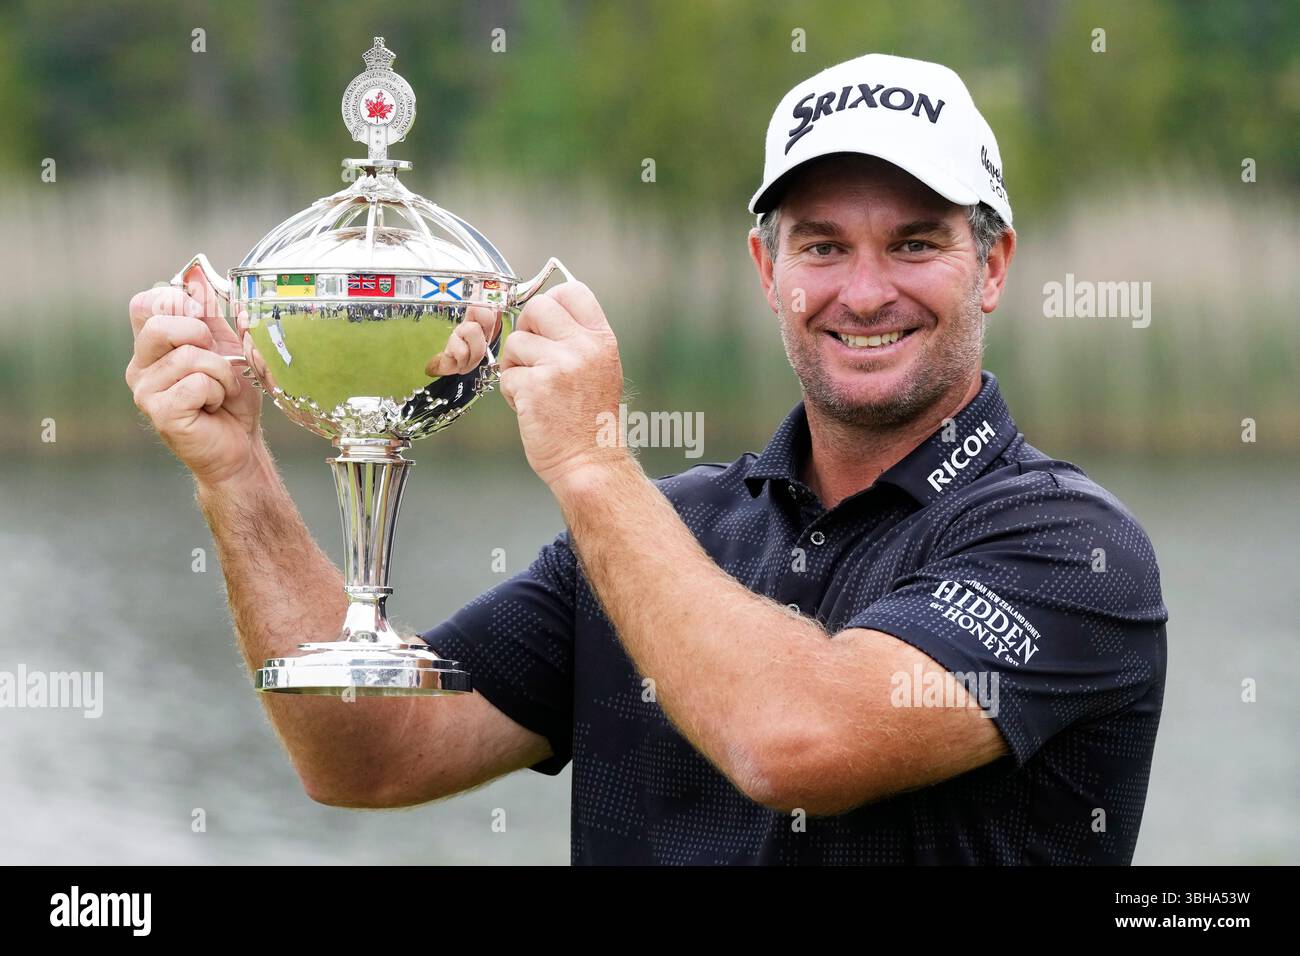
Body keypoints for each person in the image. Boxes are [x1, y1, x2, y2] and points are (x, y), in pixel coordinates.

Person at [125, 53, 1167, 865]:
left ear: (992, 267)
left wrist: (590, 461)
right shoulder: (663, 530)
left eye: (913, 242)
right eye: (820, 244)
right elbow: (364, 755)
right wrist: (238, 472)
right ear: (767, 267)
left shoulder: (1071, 548)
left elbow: (793, 740)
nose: (862, 290)